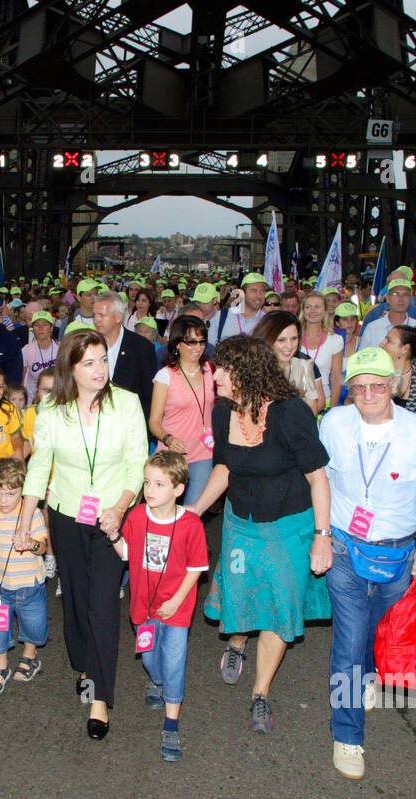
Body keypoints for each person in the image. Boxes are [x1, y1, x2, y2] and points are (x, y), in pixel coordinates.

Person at [191, 335, 333, 735]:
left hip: (289, 526)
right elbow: (224, 468)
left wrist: (322, 535)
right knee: (242, 590)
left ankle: (260, 692)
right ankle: (237, 642)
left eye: (221, 369)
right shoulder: (223, 413)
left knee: (279, 603)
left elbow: (318, 478)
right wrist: (195, 513)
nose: (214, 375)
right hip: (240, 523)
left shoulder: (291, 414)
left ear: (247, 373)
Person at [319, 347, 416, 779]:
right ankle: (348, 736)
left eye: (377, 385)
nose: (369, 395)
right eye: (359, 388)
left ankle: (370, 675)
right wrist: (319, 536)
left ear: (393, 386)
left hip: (399, 552)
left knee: (381, 630)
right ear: (348, 391)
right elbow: (319, 480)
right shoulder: (333, 423)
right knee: (349, 643)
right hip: (344, 548)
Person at [18, 328, 148, 739]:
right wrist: (24, 522)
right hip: (65, 516)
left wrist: (121, 505)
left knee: (102, 604)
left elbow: (137, 460)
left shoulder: (126, 403)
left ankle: (100, 698)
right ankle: (86, 664)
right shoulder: (52, 410)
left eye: (103, 360)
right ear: (71, 368)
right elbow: (39, 468)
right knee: (74, 602)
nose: (99, 370)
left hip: (112, 518)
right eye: (89, 362)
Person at [113, 451, 209, 762]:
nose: (150, 490)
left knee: (174, 663)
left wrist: (176, 601)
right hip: (144, 605)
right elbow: (126, 553)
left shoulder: (191, 524)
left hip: (177, 609)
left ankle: (171, 724)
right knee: (151, 659)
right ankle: (157, 681)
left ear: (178, 489)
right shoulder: (138, 515)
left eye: (159, 484)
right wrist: (113, 534)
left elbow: (196, 568)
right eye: (147, 482)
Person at [0, 456, 50, 695]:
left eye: (11, 494)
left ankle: (29, 657)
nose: (3, 500)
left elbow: (42, 547)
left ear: (23, 491)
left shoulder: (33, 516)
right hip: (0, 587)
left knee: (34, 626)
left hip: (30, 586)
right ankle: (0, 669)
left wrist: (30, 543)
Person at [150, 316, 216, 507]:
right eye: (191, 342)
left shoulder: (211, 370)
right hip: (172, 454)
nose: (198, 347)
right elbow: (154, 421)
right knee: (163, 509)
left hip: (204, 452)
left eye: (202, 341)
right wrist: (168, 439)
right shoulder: (165, 376)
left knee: (192, 511)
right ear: (177, 344)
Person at [92, 291, 156, 420]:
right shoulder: (89, 345)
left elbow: (149, 394)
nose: (96, 320)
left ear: (118, 317)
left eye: (101, 315)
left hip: (129, 424)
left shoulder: (141, 347)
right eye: (94, 315)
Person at [257, 310, 324, 414]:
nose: (289, 346)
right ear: (267, 338)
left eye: (294, 339)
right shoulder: (253, 367)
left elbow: (311, 408)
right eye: (281, 340)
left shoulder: (303, 365)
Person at [300, 292, 344, 405]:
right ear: (303, 311)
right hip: (296, 402)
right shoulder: (293, 338)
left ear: (325, 311)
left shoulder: (335, 340)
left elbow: (336, 378)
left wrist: (332, 409)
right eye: (308, 307)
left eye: (317, 307)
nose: (312, 311)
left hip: (324, 400)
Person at [359, 277, 416, 350]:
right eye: (396, 294)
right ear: (388, 298)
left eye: (405, 294)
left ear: (410, 299)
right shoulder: (372, 328)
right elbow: (361, 358)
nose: (401, 299)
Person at [22, 311, 59, 403]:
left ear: (51, 328)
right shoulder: (27, 350)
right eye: (37, 325)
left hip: (57, 397)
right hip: (33, 400)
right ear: (32, 329)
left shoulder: (61, 349)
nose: (40, 328)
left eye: (45, 325)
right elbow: (22, 377)